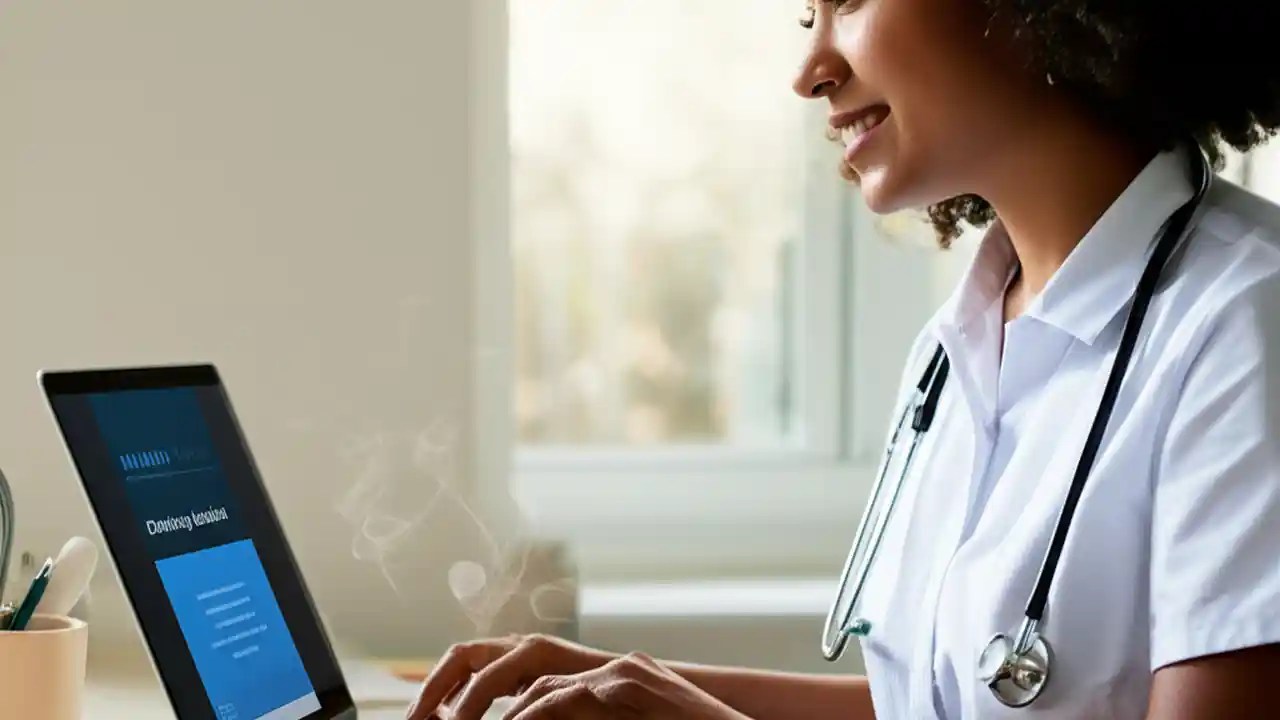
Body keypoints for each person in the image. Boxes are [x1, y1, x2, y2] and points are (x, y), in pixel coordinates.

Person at [408, 0, 1280, 717]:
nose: (811, 69)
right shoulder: (962, 342)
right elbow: (933, 707)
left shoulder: (1246, 322)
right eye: (807, 16)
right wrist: (621, 686)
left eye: (850, 2)